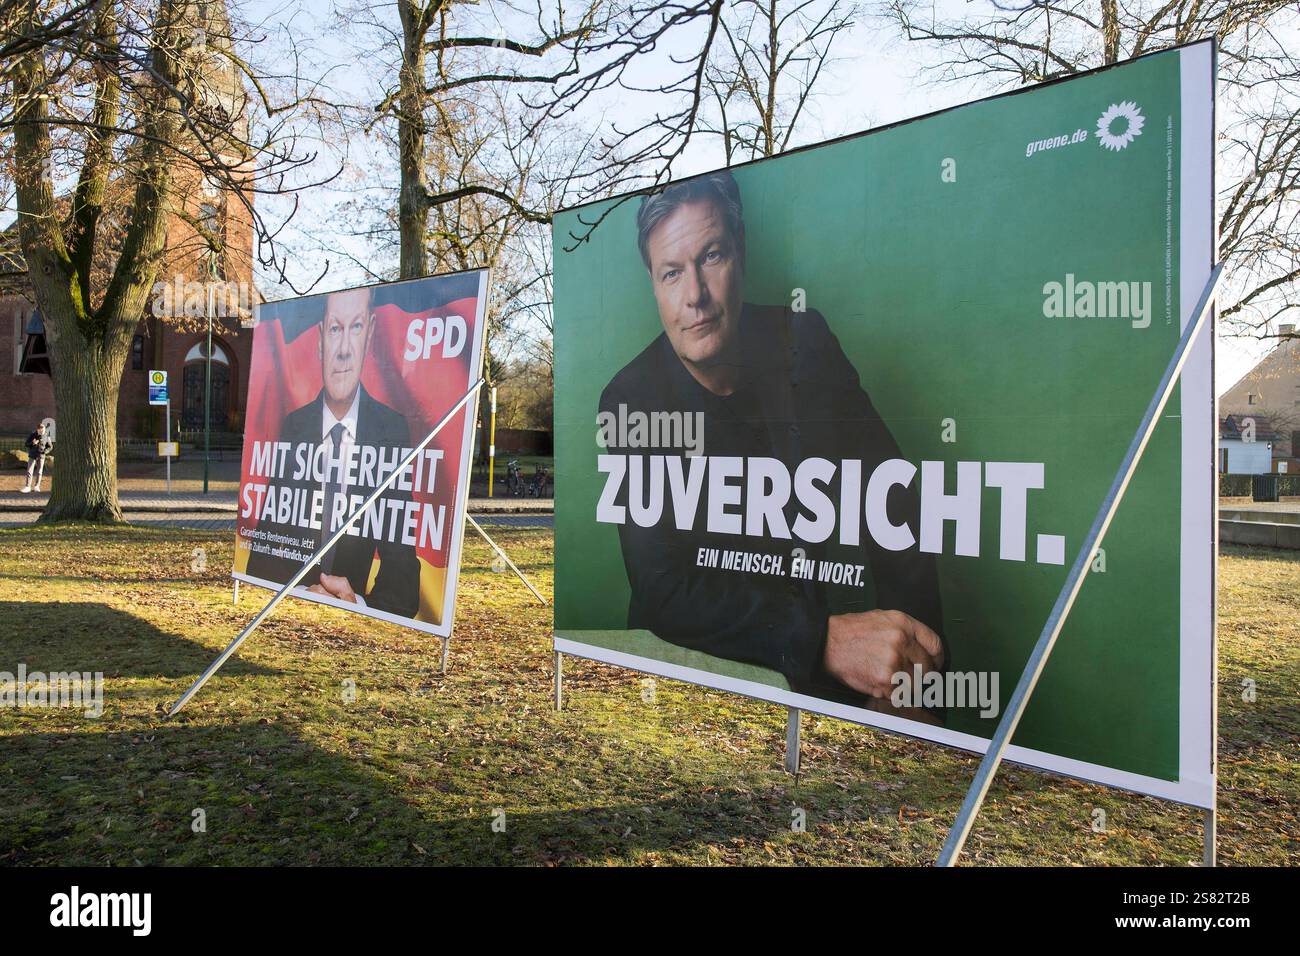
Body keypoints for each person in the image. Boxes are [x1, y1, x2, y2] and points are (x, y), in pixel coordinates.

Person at [599, 171, 946, 711]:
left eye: (711, 257)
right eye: (671, 273)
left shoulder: (804, 342)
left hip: (804, 668)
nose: (695, 296)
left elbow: (895, 499)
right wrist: (821, 639)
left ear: (742, 252)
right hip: (683, 669)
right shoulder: (629, 398)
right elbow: (662, 590)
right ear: (653, 283)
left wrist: (911, 669)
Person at [245, 286, 421, 617]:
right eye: (336, 328)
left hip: (353, 629)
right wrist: (299, 593)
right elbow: (262, 555)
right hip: (287, 617)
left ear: (369, 337)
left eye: (355, 327)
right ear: (320, 340)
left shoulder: (391, 430)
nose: (343, 350)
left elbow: (404, 583)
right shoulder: (294, 426)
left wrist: (359, 604)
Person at [20, 422, 50, 494]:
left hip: (41, 456)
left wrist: (45, 451)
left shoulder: (46, 436)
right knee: (29, 471)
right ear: (37, 430)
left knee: (39, 472)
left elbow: (50, 447)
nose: (42, 432)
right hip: (32, 455)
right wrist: (33, 443)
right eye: (40, 431)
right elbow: (26, 444)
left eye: (43, 430)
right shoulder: (32, 435)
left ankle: (37, 486)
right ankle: (27, 487)